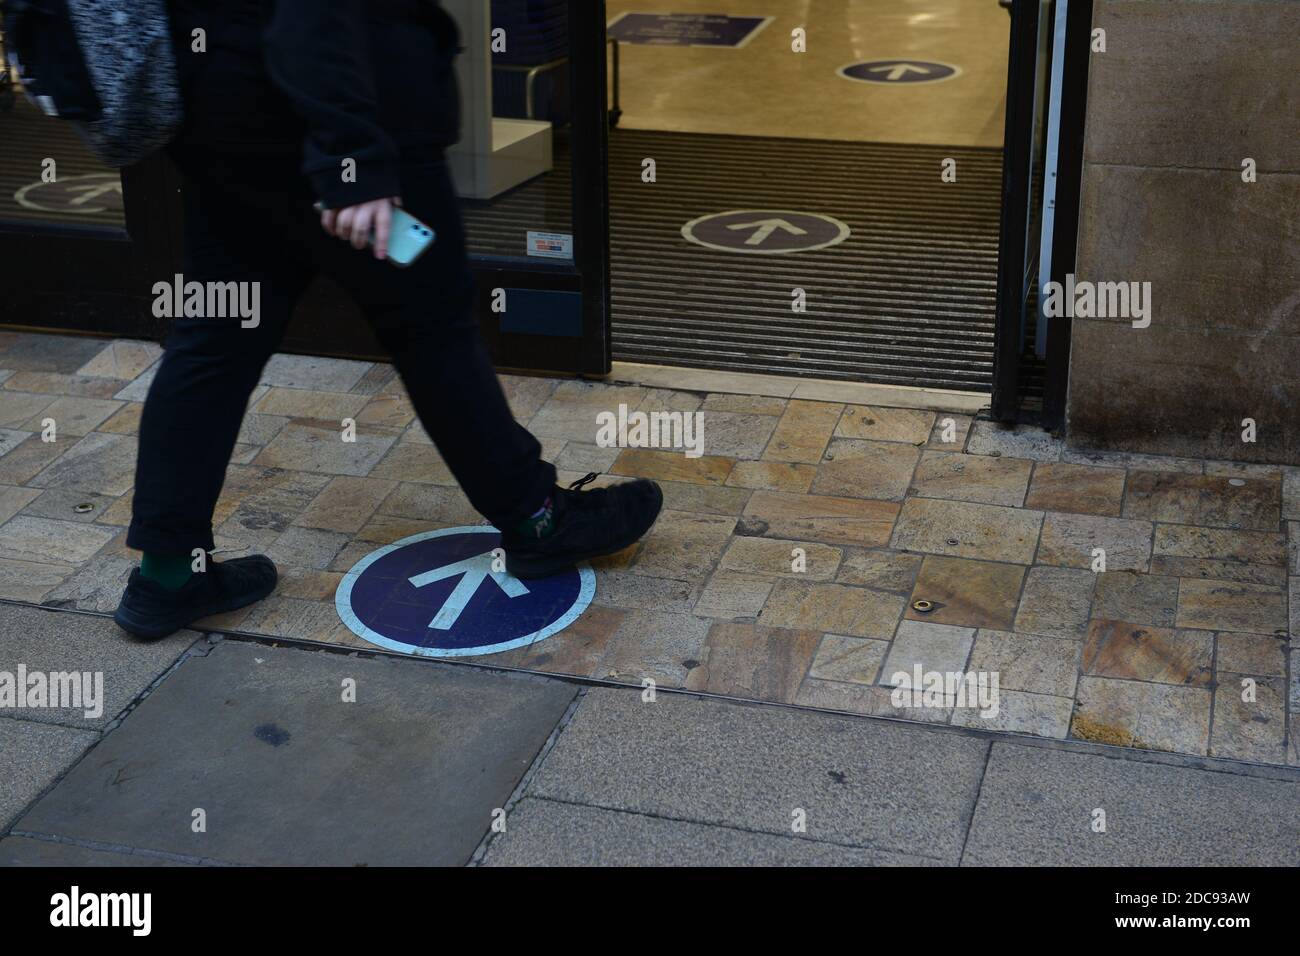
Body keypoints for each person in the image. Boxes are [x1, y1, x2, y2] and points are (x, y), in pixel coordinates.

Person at [113, 0, 663, 639]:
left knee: (213, 342)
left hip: (228, 120)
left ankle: (167, 574)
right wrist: (353, 159)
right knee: (434, 333)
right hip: (358, 124)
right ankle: (539, 520)